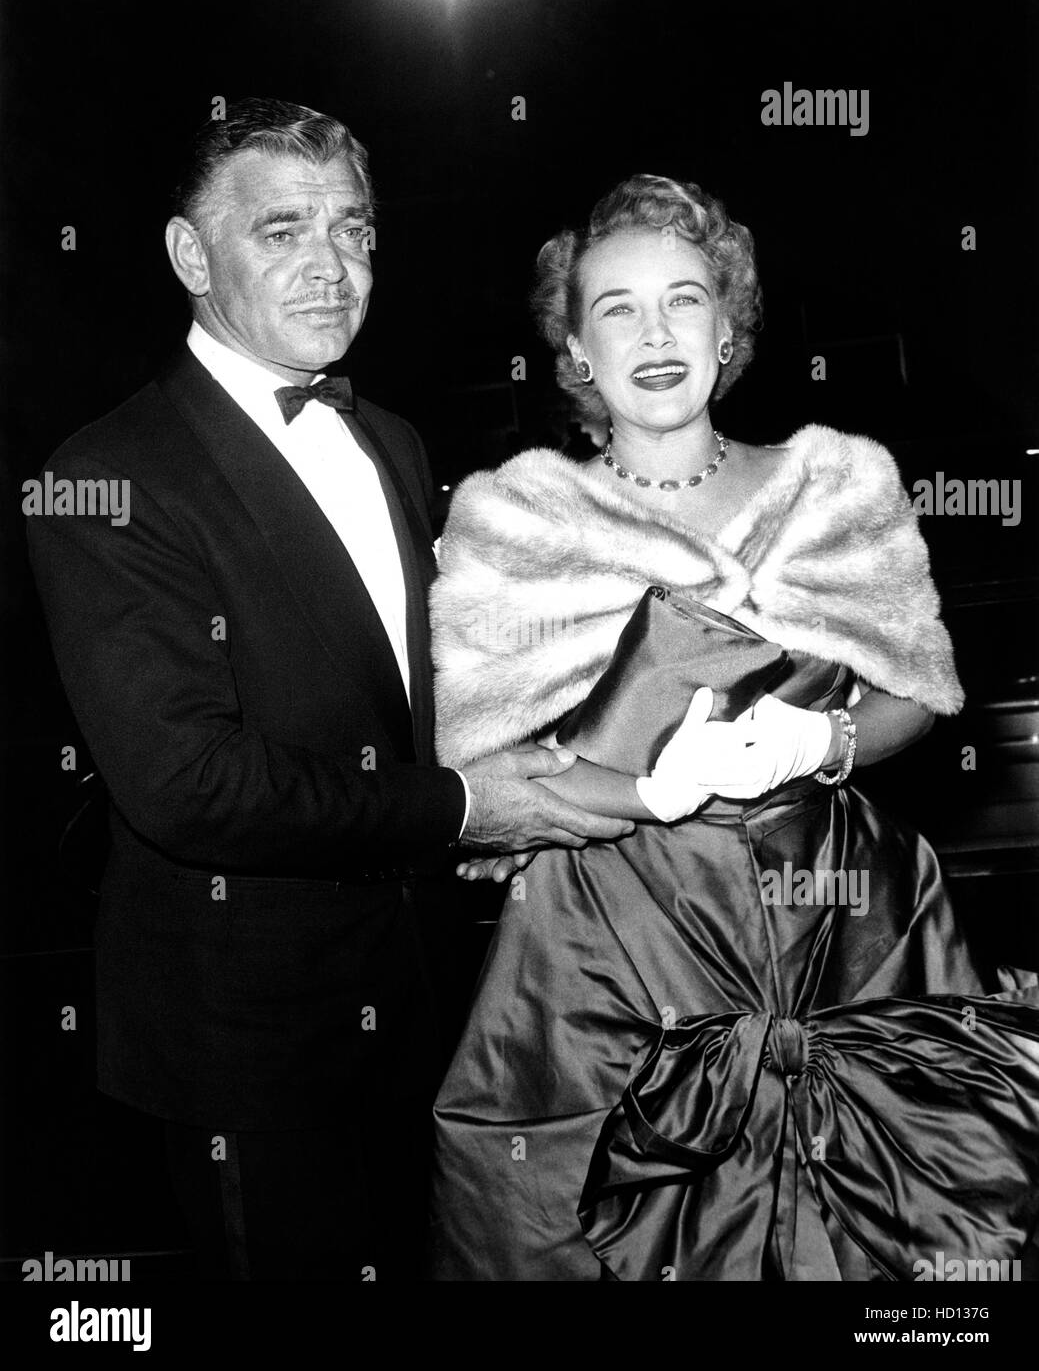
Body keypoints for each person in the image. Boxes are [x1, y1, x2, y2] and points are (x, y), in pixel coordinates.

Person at [26, 98, 633, 1282]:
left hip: (426, 1009)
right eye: (283, 230)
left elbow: (399, 702)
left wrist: (519, 781)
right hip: (249, 1048)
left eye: (352, 231)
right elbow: (192, 788)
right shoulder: (100, 478)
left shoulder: (393, 442)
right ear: (191, 256)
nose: (329, 267)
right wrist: (464, 806)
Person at [428, 174, 1039, 1280]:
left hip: (846, 928)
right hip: (603, 955)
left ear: (728, 328)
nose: (653, 333)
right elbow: (484, 785)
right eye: (615, 307)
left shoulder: (838, 486)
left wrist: (827, 743)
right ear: (572, 344)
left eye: (685, 299)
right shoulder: (511, 523)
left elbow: (923, 693)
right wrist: (643, 793)